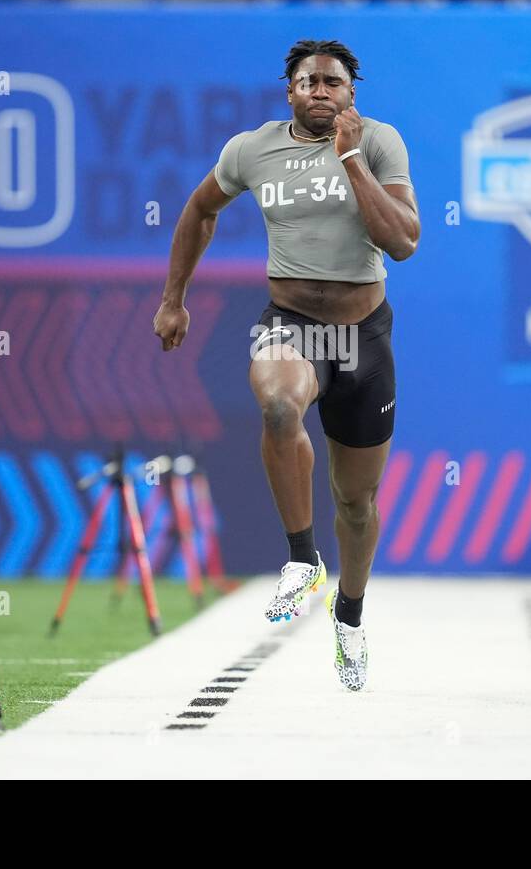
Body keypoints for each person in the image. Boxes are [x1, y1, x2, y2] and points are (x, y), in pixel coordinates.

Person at [152, 39, 419, 690]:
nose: (320, 91)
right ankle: (302, 560)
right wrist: (173, 299)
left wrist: (351, 158)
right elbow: (199, 209)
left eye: (333, 82)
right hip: (292, 322)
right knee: (276, 404)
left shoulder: (380, 142)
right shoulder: (253, 149)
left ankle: (348, 618)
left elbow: (404, 241)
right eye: (308, 82)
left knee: (356, 502)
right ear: (289, 90)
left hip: (362, 335)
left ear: (352, 91)